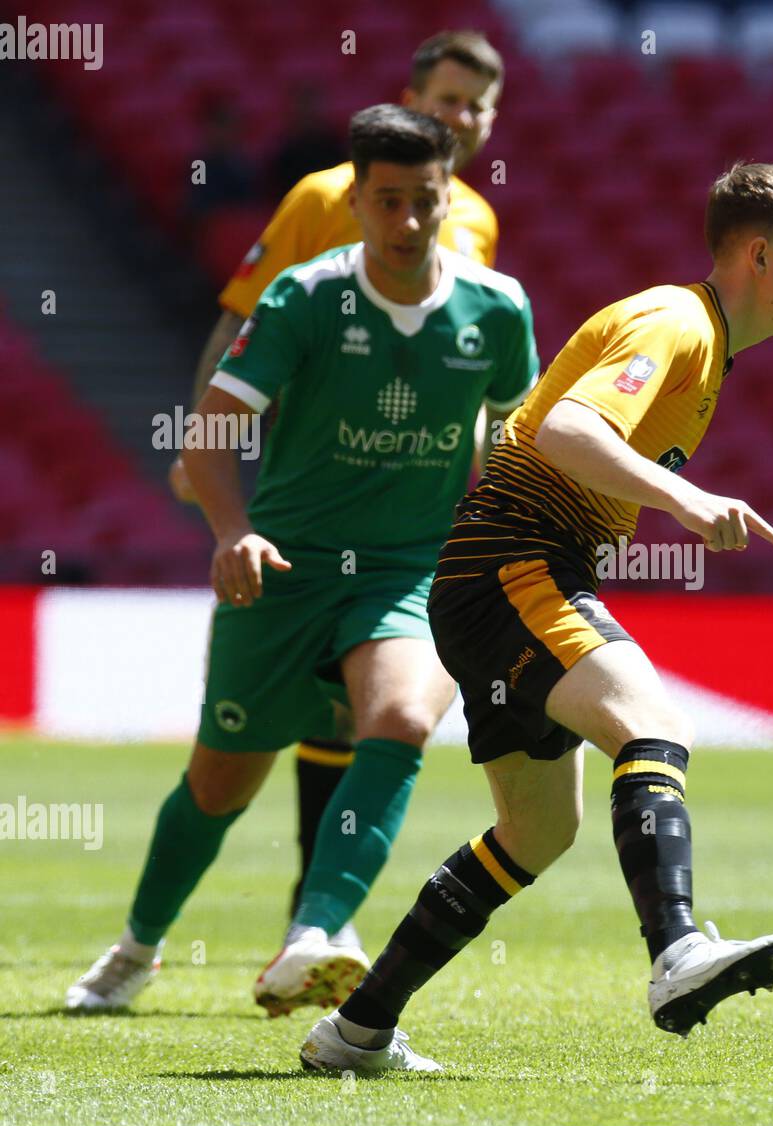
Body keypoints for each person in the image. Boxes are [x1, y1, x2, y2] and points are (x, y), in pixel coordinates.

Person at [298, 162, 773, 1073]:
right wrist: (686, 498)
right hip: (514, 562)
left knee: (538, 832)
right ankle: (675, 953)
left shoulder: (702, 342)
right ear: (759, 254)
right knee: (655, 724)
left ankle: (355, 1030)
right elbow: (566, 432)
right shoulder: (676, 323)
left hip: (505, 572)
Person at [66, 106, 539, 1017]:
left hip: (409, 567)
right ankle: (138, 945)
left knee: (400, 715)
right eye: (388, 201)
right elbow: (208, 439)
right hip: (281, 564)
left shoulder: (498, 307)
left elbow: (512, 441)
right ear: (354, 201)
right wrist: (231, 530)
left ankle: (318, 929)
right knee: (219, 782)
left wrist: (507, 541)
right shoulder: (304, 298)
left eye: (425, 202)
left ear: (452, 199)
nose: (407, 222)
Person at [169, 30, 508, 958]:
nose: (459, 118)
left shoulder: (473, 222)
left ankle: (314, 916)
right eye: (445, 99)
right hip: (308, 491)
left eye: (476, 106)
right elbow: (246, 319)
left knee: (372, 709)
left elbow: (475, 385)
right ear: (411, 94)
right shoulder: (324, 197)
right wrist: (207, 438)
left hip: (408, 513)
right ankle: (167, 931)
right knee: (240, 752)